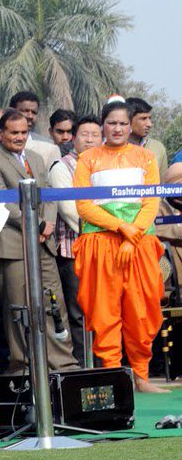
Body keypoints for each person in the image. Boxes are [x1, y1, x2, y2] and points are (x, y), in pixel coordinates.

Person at [74, 100, 168, 393]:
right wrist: (120, 228)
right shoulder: (87, 159)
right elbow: (84, 205)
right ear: (103, 125)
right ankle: (113, 375)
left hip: (139, 244)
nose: (117, 129)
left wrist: (133, 234)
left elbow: (151, 202)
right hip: (100, 243)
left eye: (123, 124)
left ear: (131, 126)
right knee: (104, 313)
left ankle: (140, 376)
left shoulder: (146, 158)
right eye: (112, 123)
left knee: (142, 311)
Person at [0, 109, 77, 373]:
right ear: (0, 134)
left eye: (24, 132)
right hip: (13, 246)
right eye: (14, 132)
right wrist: (34, 223)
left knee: (53, 303)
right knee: (18, 309)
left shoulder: (36, 157)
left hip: (44, 243)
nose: (20, 137)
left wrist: (46, 224)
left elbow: (49, 194)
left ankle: (62, 364)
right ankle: (25, 366)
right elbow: (2, 200)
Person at [48, 115, 101, 362]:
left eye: (95, 135)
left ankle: (107, 364)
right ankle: (82, 367)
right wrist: (101, 231)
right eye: (84, 135)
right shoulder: (62, 167)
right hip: (74, 250)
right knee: (78, 312)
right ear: (74, 138)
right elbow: (69, 212)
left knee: (103, 310)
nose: (90, 140)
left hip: (104, 250)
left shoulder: (105, 165)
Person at [8, 92, 61, 168]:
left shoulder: (48, 147)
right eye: (25, 111)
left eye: (34, 112)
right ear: (11, 112)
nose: (30, 116)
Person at [125, 97, 169, 176]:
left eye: (149, 118)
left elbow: (163, 184)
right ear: (127, 120)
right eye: (143, 119)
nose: (149, 124)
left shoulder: (157, 148)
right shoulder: (112, 148)